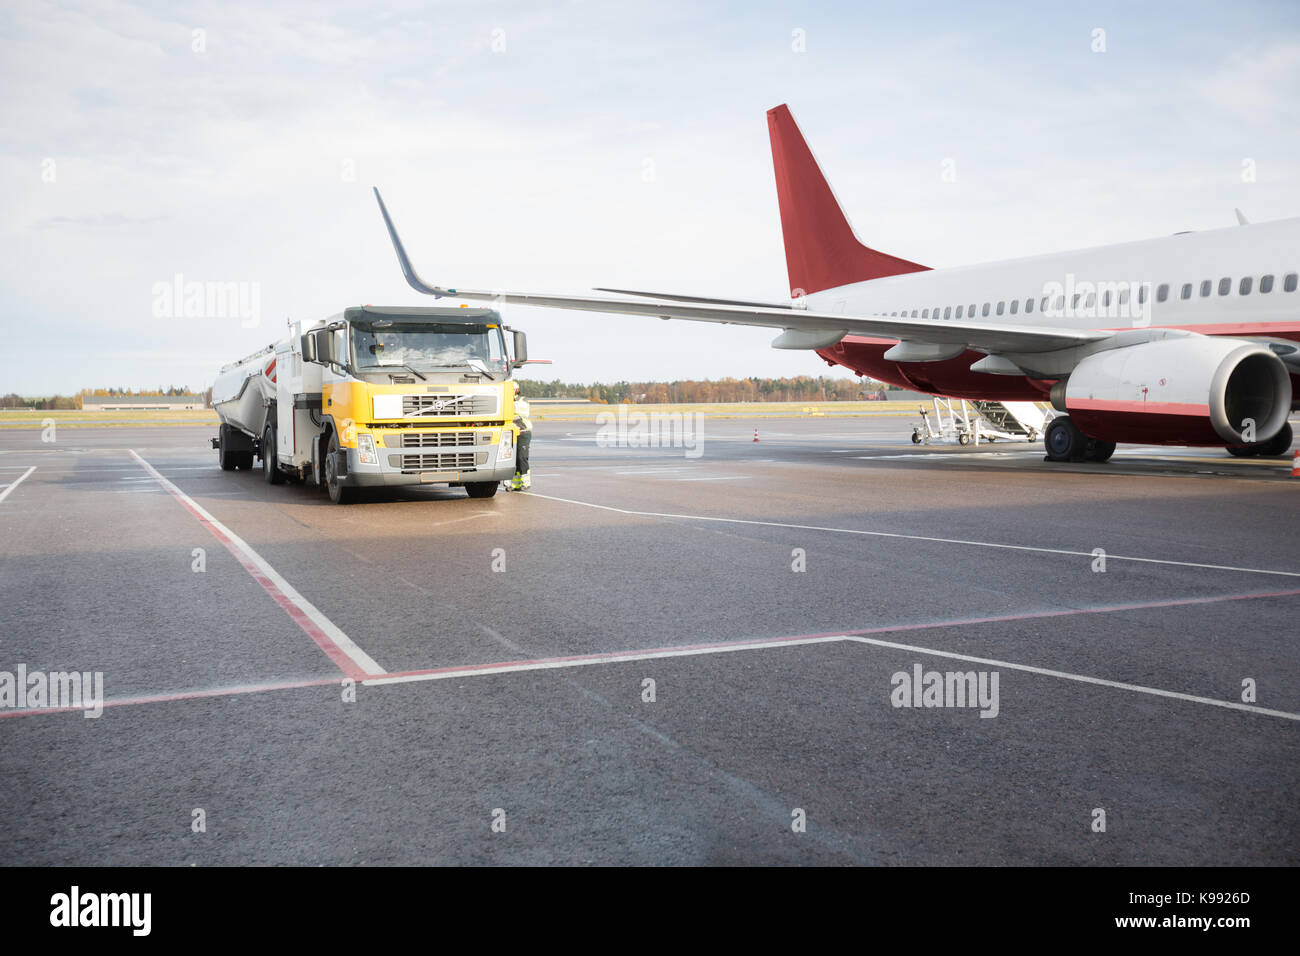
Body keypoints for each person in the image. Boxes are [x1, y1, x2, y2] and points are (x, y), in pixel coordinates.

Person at [508, 383, 531, 490]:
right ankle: (515, 483)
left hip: (523, 432)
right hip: (511, 433)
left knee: (522, 457)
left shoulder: (522, 401)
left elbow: (520, 411)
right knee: (514, 459)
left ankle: (525, 481)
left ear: (516, 390)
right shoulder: (508, 402)